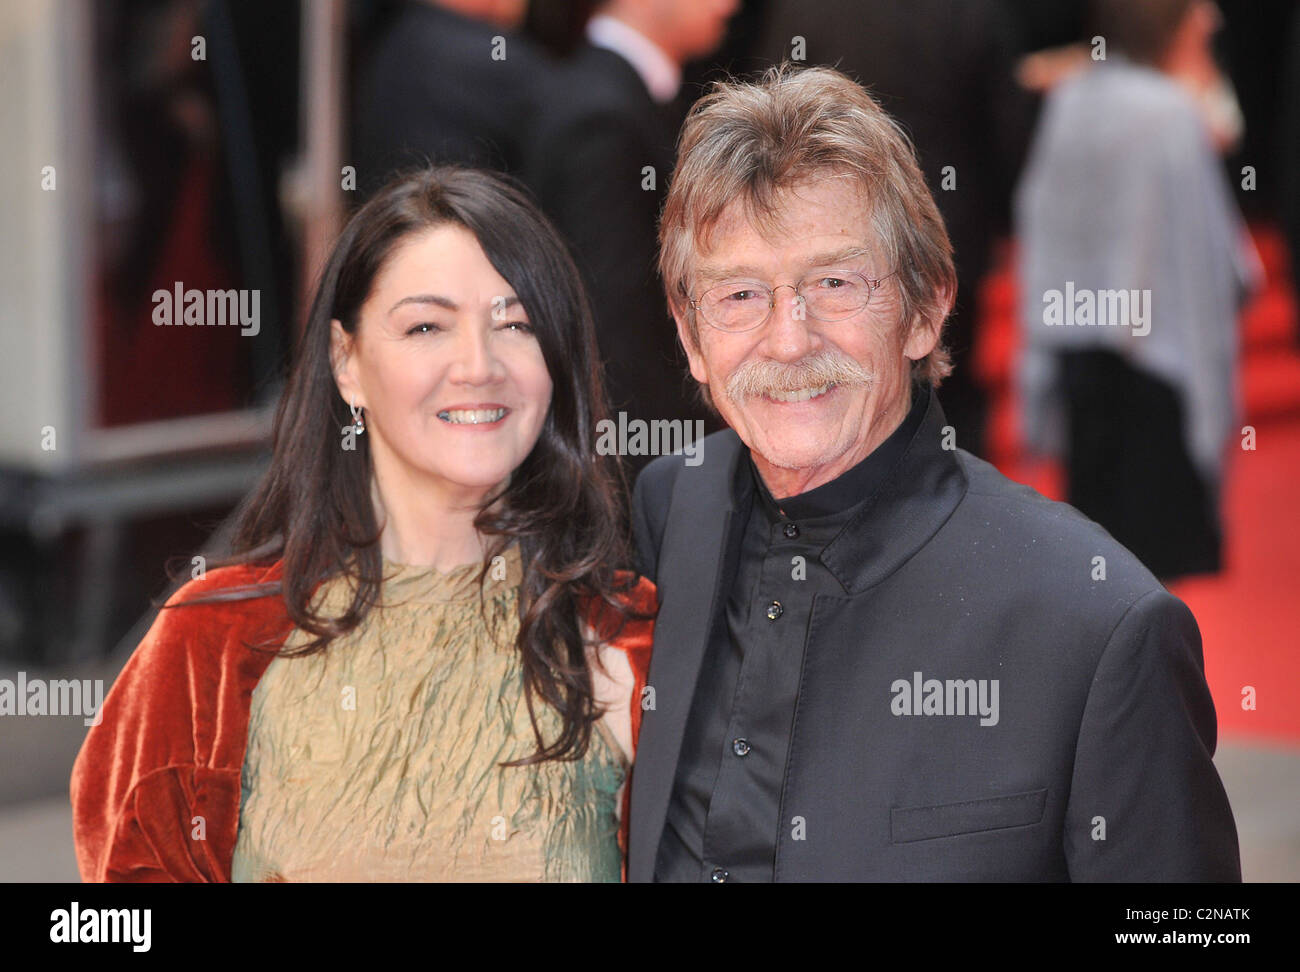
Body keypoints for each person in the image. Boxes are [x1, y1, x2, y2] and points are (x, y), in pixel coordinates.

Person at [628, 64, 1240, 881]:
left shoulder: (1098, 627)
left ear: (925, 307)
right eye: (739, 295)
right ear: (690, 335)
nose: (787, 339)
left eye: (835, 283)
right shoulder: (670, 511)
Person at [70, 166, 656, 882]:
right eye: (426, 326)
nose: (478, 365)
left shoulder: (634, 642)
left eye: (516, 323)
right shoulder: (208, 649)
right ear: (347, 362)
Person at [1015, 0, 1260, 581]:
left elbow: (1039, 224)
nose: (1212, 20)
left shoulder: (1072, 100)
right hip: (1160, 377)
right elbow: (1216, 267)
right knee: (1161, 585)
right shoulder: (1171, 114)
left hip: (1083, 373)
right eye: (1198, 7)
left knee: (1104, 581)